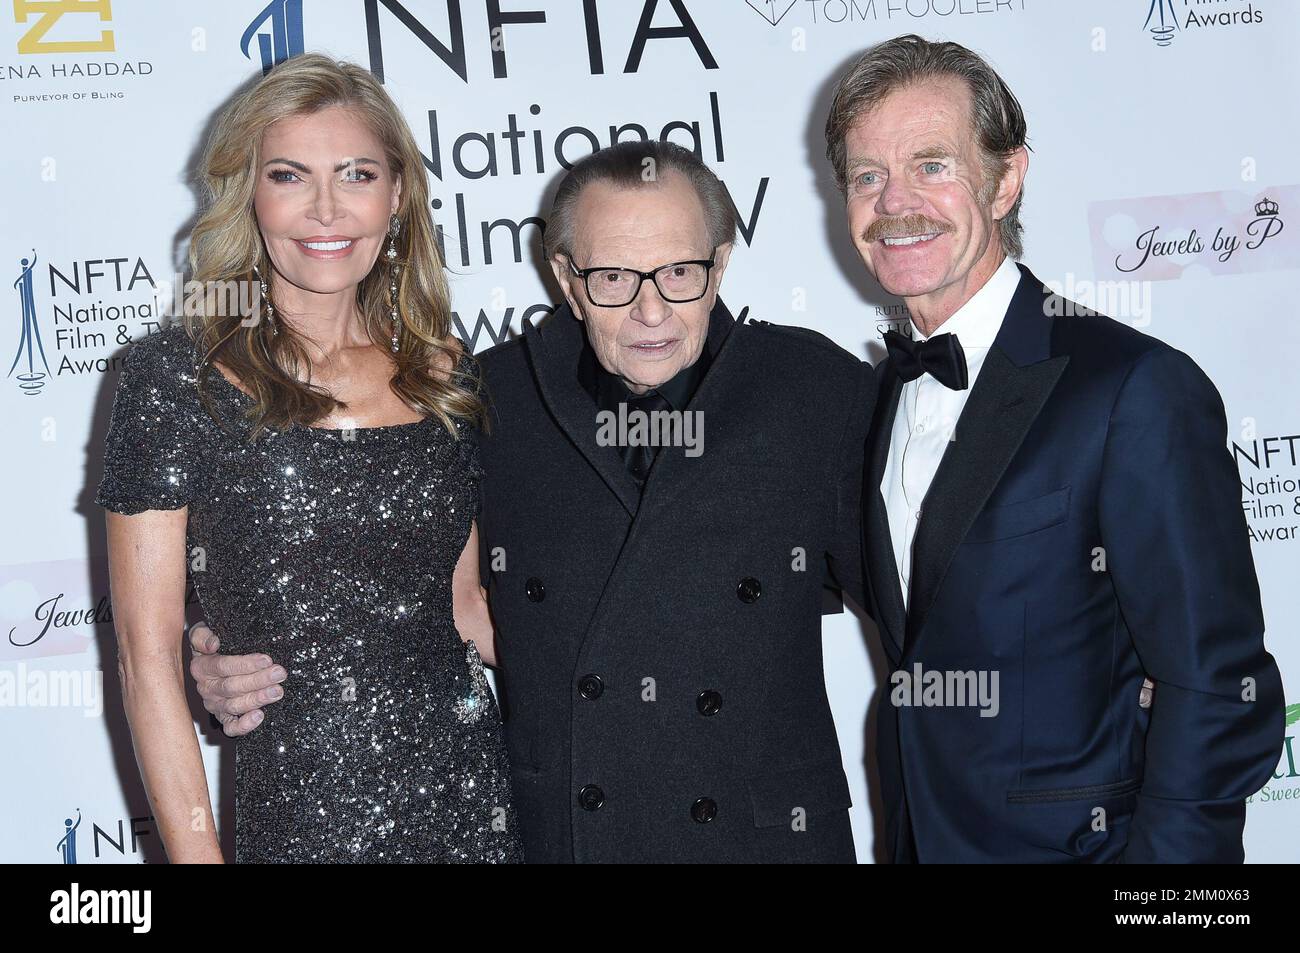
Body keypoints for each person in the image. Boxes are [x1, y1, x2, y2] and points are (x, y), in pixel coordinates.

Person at [190, 140, 875, 863]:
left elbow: (921, 606)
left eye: (679, 272)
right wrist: (224, 642)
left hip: (764, 840)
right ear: (567, 277)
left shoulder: (812, 391)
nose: (651, 311)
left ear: (722, 264)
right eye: (613, 277)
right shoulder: (485, 400)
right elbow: (388, 588)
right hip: (566, 836)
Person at [824, 34, 1285, 862]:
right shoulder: (883, 394)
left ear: (1006, 180)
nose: (895, 202)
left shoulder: (1134, 387)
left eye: (933, 165)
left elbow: (1219, 689)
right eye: (868, 175)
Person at [96, 53, 522, 863]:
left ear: (397, 196)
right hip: (302, 817)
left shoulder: (447, 373)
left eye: (357, 174)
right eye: (290, 175)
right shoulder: (175, 377)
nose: (326, 210)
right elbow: (145, 657)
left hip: (471, 803)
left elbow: (467, 607)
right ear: (249, 195)